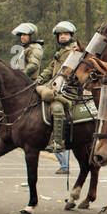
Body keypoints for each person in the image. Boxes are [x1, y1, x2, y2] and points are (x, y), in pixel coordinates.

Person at [35, 21, 79, 170]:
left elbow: (71, 73)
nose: (62, 37)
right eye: (60, 35)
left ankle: (58, 142)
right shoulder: (59, 52)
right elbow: (50, 69)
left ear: (71, 36)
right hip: (55, 87)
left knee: (57, 107)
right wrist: (39, 79)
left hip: (68, 90)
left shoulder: (75, 52)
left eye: (65, 34)